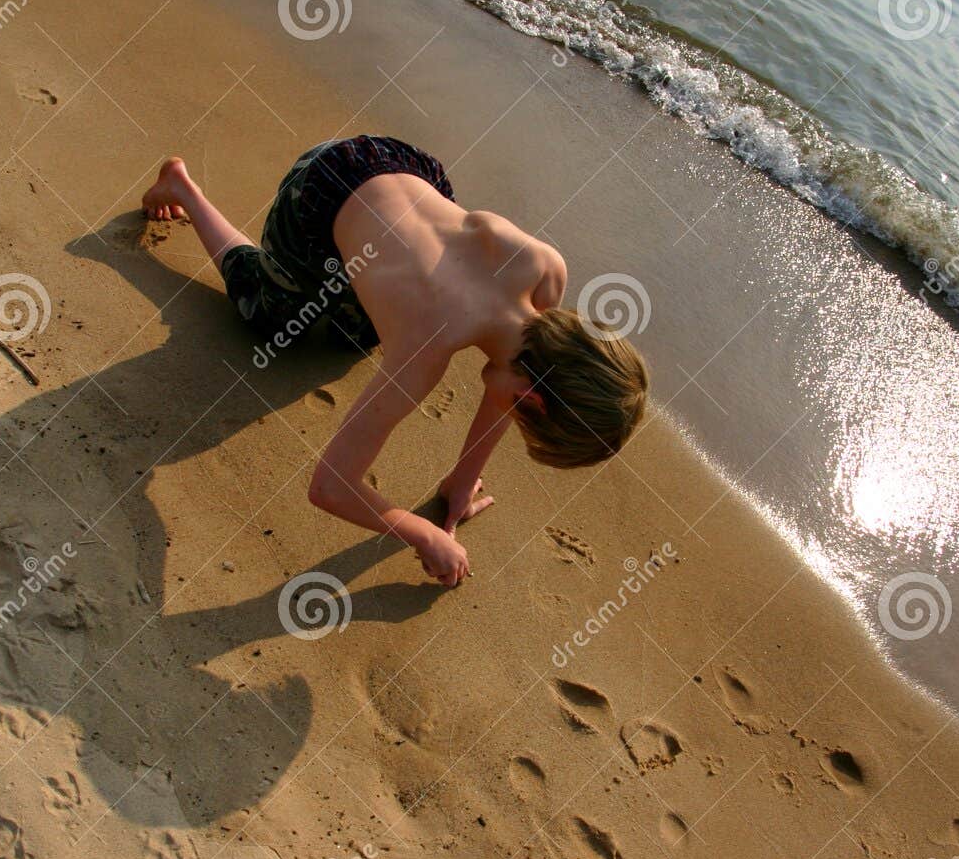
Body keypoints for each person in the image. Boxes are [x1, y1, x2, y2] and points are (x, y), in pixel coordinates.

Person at [142, 136, 648, 586]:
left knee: (354, 332)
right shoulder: (425, 351)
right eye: (525, 419)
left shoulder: (545, 271)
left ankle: (350, 281)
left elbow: (512, 379)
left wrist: (463, 481)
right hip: (317, 191)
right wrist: (423, 532)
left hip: (398, 162)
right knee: (270, 314)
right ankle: (185, 188)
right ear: (531, 401)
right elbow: (330, 487)